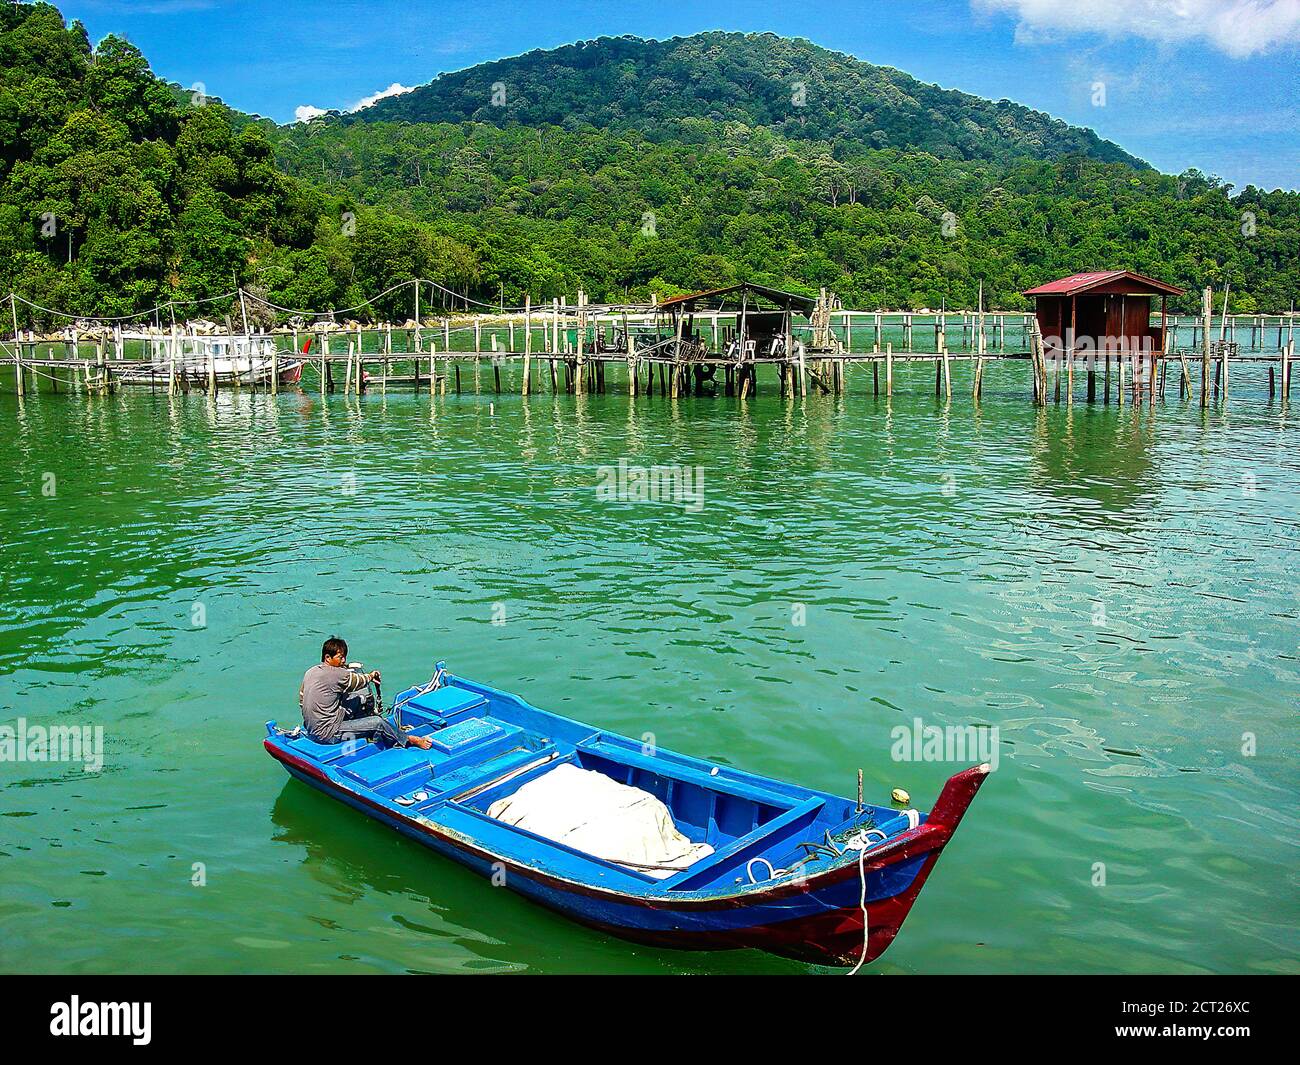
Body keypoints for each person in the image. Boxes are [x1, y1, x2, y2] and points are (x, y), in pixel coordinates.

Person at [299, 636, 433, 750]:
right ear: (328, 657)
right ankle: (408, 739)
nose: (344, 661)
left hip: (311, 729)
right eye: (340, 658)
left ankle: (366, 730)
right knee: (377, 722)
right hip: (328, 734)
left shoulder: (311, 672)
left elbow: (302, 701)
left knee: (354, 700)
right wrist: (371, 675)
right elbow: (358, 681)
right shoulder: (337, 674)